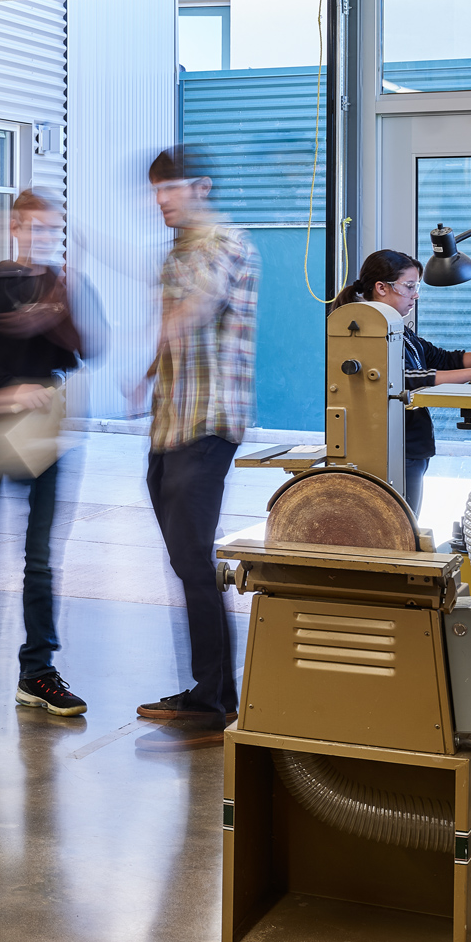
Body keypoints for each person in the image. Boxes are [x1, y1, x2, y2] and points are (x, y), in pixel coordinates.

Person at [0, 189, 90, 718]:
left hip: (49, 433)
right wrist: (12, 391)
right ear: (14, 227)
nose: (44, 239)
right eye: (34, 228)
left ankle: (37, 671)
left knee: (39, 557)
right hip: (6, 431)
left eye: (53, 230)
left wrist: (63, 308)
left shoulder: (60, 287)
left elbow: (80, 352)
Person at [134, 150, 259, 752]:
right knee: (185, 561)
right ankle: (206, 688)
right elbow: (175, 324)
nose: (162, 201)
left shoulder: (224, 244)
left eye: (171, 189)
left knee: (193, 559)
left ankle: (217, 699)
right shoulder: (178, 250)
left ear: (201, 187)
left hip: (208, 423)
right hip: (169, 424)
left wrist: (161, 337)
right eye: (156, 192)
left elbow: (200, 308)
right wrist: (149, 372)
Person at [332, 249, 471, 513]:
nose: (415, 294)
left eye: (416, 286)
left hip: (412, 445)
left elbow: (442, 358)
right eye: (409, 286)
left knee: (405, 524)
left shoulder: (399, 331)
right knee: (400, 529)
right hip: (392, 447)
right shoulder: (364, 331)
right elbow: (402, 378)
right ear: (381, 287)